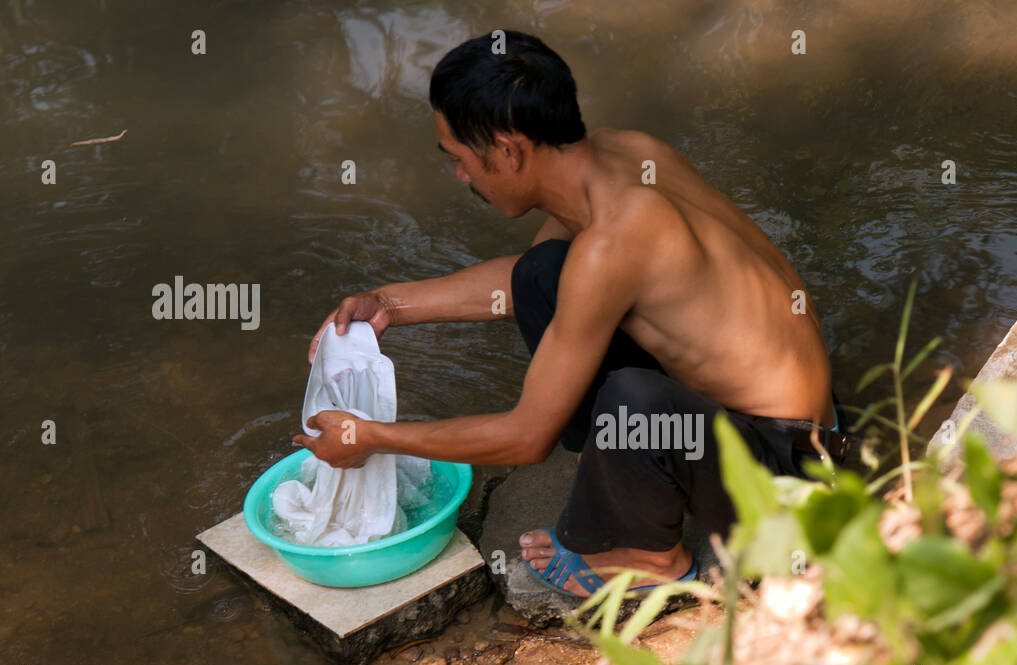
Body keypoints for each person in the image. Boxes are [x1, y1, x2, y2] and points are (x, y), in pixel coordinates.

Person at [296, 29, 847, 598]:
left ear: (509, 151)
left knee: (635, 400)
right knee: (543, 275)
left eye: (460, 160)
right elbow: (530, 278)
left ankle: (652, 558)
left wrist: (371, 436)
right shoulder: (623, 155)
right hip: (775, 425)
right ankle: (630, 478)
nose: (461, 176)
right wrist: (388, 304)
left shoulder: (613, 244)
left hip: (789, 475)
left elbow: (526, 439)